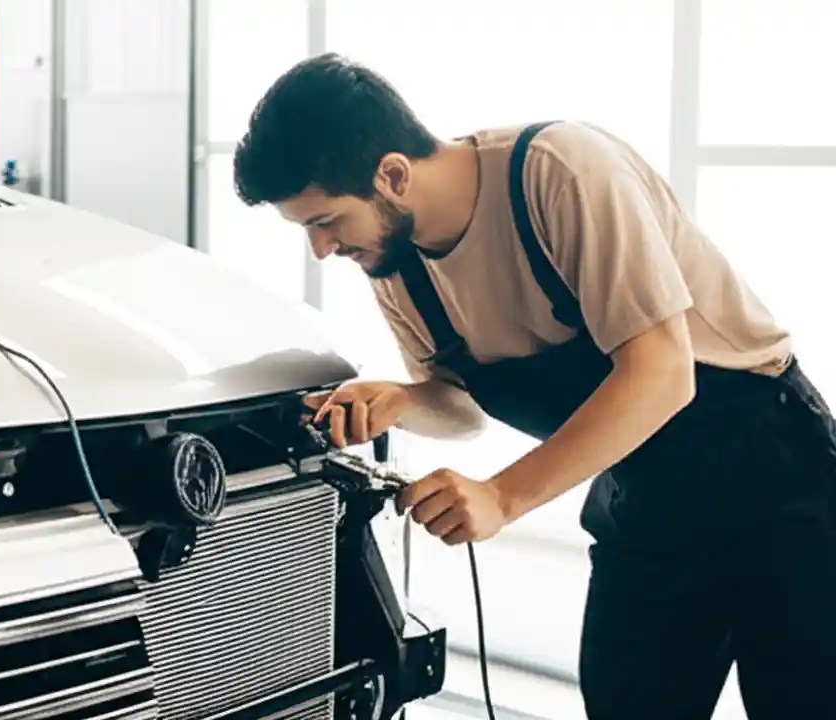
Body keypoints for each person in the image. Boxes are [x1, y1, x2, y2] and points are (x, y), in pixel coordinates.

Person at [233, 52, 836, 719]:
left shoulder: (560, 171)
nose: (321, 250)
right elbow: (462, 410)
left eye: (325, 222)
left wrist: (501, 496)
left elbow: (663, 374)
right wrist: (403, 401)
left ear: (393, 175)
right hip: (644, 501)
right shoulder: (397, 269)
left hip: (774, 481)